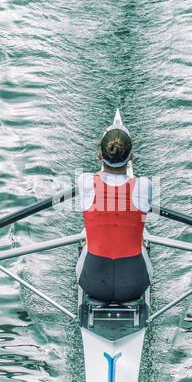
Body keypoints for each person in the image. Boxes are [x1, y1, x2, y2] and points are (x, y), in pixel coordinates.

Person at [77, 112, 152, 304]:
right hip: (134, 285)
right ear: (131, 157)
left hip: (93, 284)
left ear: (100, 156)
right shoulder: (144, 185)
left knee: (86, 236)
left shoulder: (84, 181)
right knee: (141, 236)